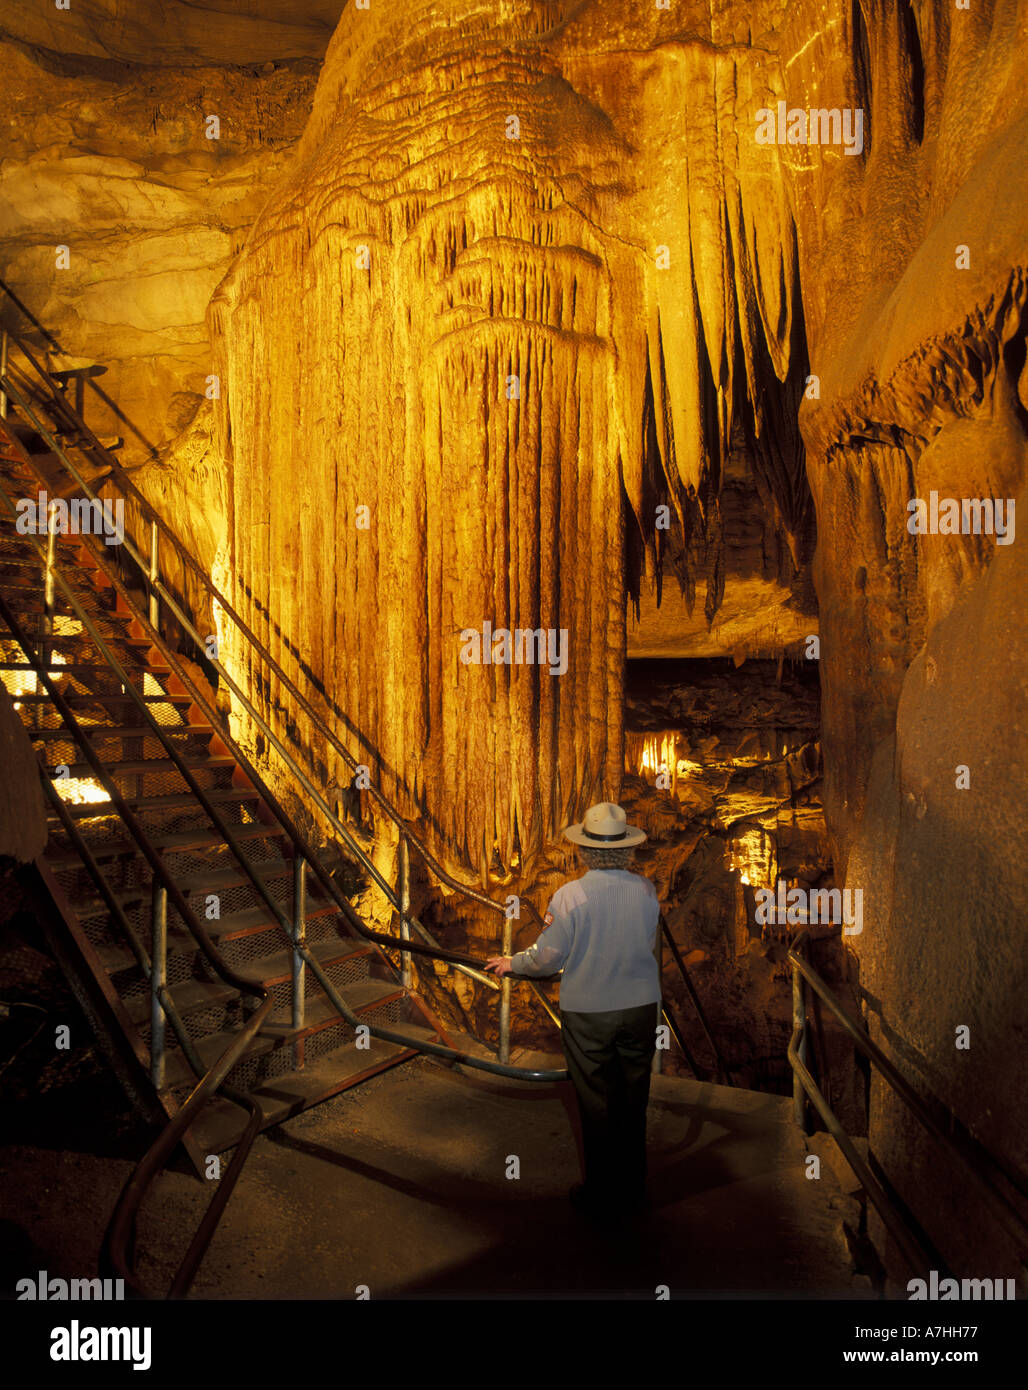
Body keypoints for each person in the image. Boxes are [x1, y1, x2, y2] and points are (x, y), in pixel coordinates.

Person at [485, 801, 661, 1224]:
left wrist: (514, 963)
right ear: (627, 850)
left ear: (584, 851)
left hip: (590, 1010)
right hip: (640, 1007)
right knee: (633, 1099)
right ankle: (633, 1189)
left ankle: (601, 1194)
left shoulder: (570, 896)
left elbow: (547, 957)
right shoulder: (645, 890)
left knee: (597, 1101)